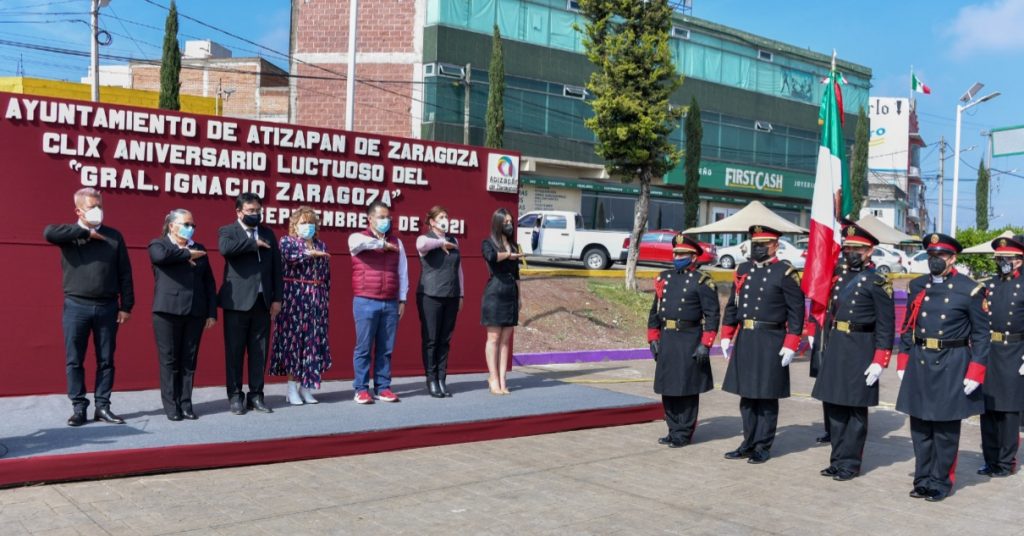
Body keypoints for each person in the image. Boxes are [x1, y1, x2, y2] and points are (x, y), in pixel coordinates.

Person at [896, 233, 989, 502]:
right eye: (931, 256)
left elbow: (981, 335)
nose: (935, 260)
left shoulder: (969, 289)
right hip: (921, 359)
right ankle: (922, 478)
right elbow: (908, 326)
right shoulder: (918, 285)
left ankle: (941, 481)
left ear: (952, 258)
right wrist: (903, 358)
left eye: (941, 256)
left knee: (945, 429)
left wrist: (976, 370)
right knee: (920, 425)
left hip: (952, 361)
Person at [810, 221, 895, 481]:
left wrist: (880, 360)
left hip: (861, 348)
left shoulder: (878, 281)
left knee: (855, 411)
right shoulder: (839, 277)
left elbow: (886, 325)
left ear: (870, 251)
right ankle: (836, 460)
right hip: (837, 346)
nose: (851, 253)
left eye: (857, 249)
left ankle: (850, 463)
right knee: (835, 407)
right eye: (848, 249)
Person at [43, 187, 134, 426]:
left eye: (100, 206)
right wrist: (85, 233)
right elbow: (48, 232)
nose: (98, 210)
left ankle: (102, 406)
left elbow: (125, 273)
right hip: (76, 306)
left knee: (106, 360)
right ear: (79, 211)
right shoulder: (69, 235)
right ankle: (79, 407)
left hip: (108, 307)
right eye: (92, 207)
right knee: (75, 359)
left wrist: (126, 306)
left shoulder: (114, 236)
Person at [718, 225, 805, 464]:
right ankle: (748, 442)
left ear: (775, 245)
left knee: (766, 396)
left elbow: (796, 311)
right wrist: (727, 333)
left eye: (763, 244)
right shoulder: (743, 269)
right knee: (747, 396)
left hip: (771, 339)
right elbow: (734, 304)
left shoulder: (785, 272)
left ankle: (762, 446)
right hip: (747, 338)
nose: (758, 248)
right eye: (755, 244)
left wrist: (791, 342)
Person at [647, 234, 720, 448]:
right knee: (668, 386)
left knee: (686, 388)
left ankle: (684, 432)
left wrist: (705, 343)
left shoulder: (702, 281)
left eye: (682, 254)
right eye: (676, 254)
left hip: (689, 338)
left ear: (693, 257)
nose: (677, 257)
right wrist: (653, 337)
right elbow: (655, 310)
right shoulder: (665, 277)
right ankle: (673, 429)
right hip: (668, 338)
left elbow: (712, 315)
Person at [148, 209, 217, 421]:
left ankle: (186, 403)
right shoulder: (159, 244)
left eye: (192, 225)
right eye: (186, 224)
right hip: (167, 311)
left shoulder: (199, 248)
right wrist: (187, 254)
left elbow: (208, 282)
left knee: (189, 360)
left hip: (195, 311)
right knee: (169, 360)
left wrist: (211, 312)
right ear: (172, 226)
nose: (190, 228)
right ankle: (171, 406)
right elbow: (160, 257)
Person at [218, 193, 283, 415]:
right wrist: (252, 243)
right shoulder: (228, 231)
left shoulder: (268, 233)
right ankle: (235, 396)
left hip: (262, 302)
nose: (255, 214)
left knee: (259, 352)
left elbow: (276, 268)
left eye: (258, 210)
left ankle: (256, 395)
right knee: (234, 352)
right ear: (239, 212)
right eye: (250, 211)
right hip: (237, 303)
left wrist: (277, 298)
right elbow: (225, 249)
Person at [269, 206, 332, 406]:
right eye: (303, 222)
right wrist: (311, 253)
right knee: (293, 343)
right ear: (295, 225)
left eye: (311, 223)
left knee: (313, 343)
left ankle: (306, 387)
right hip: (295, 299)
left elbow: (326, 275)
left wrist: (324, 298)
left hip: (317, 300)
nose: (308, 226)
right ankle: (291, 388)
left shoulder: (321, 245)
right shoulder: (287, 242)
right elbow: (291, 258)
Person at [349, 201, 408, 404]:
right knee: (363, 348)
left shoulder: (397, 242)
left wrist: (402, 299)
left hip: (390, 302)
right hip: (365, 300)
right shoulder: (357, 238)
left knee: (386, 349)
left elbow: (403, 272)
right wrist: (381, 244)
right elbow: (358, 244)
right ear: (370, 219)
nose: (386, 221)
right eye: (381, 217)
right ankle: (361, 389)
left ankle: (383, 387)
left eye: (388, 217)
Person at [977, 235, 1024, 478]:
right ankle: (990, 460)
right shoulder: (989, 285)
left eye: (1007, 258)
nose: (1002, 262)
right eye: (999, 258)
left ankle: (1005, 462)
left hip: (1014, 351)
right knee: (987, 409)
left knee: (1008, 411)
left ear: (1019, 260)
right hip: (989, 351)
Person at [416, 206, 464, 398]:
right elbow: (421, 245)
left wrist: (461, 294)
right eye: (441, 217)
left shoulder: (454, 240)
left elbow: (458, 269)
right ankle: (431, 379)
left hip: (451, 295)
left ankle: (442, 378)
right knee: (431, 340)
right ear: (432, 221)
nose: (446, 219)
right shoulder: (425, 239)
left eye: (447, 216)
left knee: (445, 340)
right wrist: (441, 242)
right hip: (430, 295)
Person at [481, 208, 522, 395]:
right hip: (495, 293)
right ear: (498, 223)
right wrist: (508, 255)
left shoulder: (514, 246)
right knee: (494, 338)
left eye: (511, 222)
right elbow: (491, 257)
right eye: (505, 222)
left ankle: (503, 379)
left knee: (505, 340)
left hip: (510, 293)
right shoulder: (488, 243)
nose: (509, 225)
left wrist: (520, 296)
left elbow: (517, 274)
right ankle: (493, 378)